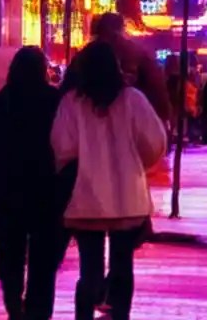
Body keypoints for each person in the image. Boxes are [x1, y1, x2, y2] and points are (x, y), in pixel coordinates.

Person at [51, 41, 167, 320]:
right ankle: (118, 314)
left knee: (89, 268)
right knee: (122, 265)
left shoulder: (72, 102)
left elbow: (61, 147)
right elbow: (154, 143)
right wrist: (134, 164)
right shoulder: (133, 100)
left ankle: (85, 314)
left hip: (85, 198)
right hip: (127, 199)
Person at [0, 46, 66, 320]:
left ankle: (13, 304)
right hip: (46, 189)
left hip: (10, 190)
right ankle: (38, 310)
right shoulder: (54, 99)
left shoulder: (5, 99)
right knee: (43, 261)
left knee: (11, 255)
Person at [89, 13, 172, 125]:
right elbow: (159, 97)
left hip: (103, 124)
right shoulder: (138, 54)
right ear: (122, 29)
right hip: (135, 124)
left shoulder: (88, 56)